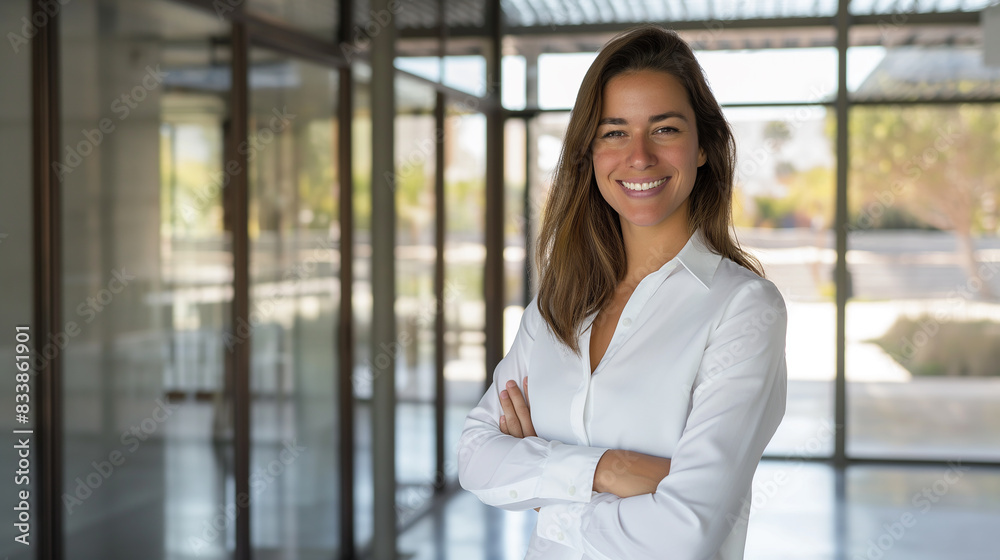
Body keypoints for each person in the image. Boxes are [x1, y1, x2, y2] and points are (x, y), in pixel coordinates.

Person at [457, 25, 787, 560]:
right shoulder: (558, 302)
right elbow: (474, 456)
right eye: (614, 132)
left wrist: (543, 484)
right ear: (589, 153)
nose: (638, 156)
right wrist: (610, 470)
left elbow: (685, 530)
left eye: (665, 129)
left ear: (702, 147)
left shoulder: (743, 308)